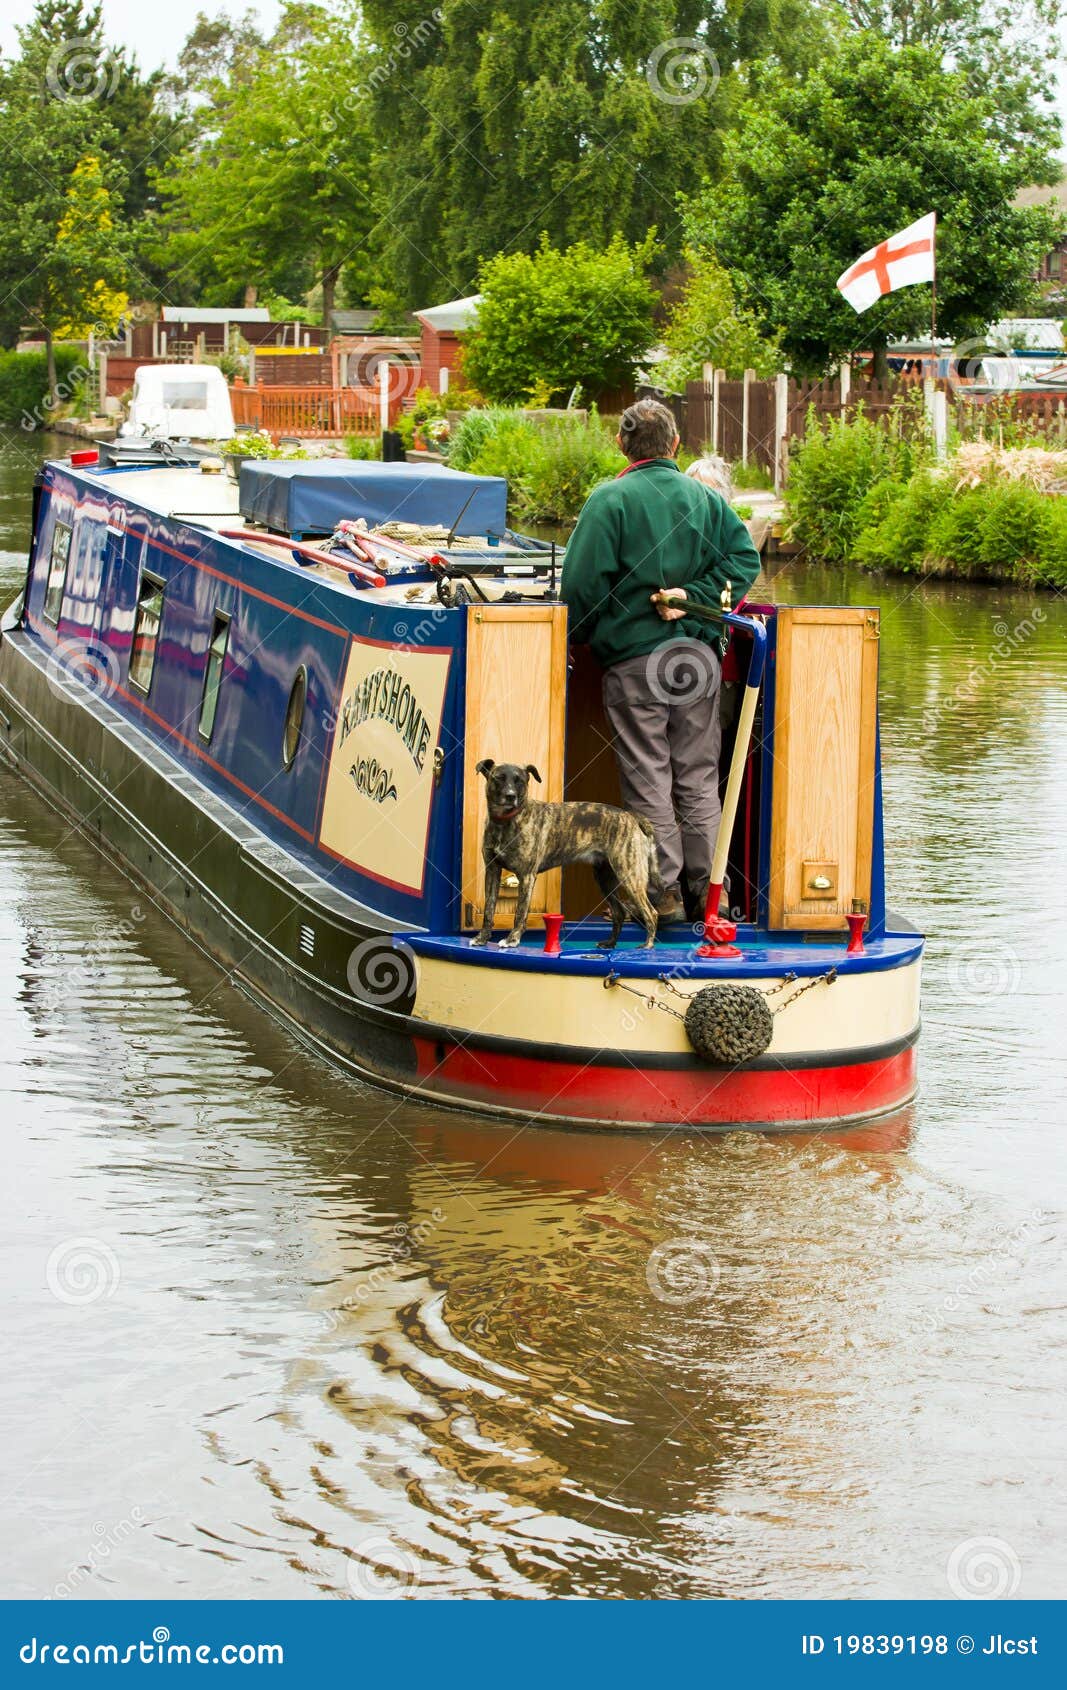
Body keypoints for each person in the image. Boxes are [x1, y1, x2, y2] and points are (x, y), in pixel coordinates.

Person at [560, 398, 760, 924]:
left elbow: (579, 588)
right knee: (697, 778)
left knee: (648, 778)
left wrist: (581, 638)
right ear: (675, 445)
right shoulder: (706, 499)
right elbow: (745, 560)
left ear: (621, 444)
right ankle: (710, 895)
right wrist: (693, 598)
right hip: (696, 658)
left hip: (635, 663)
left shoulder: (609, 501)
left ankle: (661, 895)